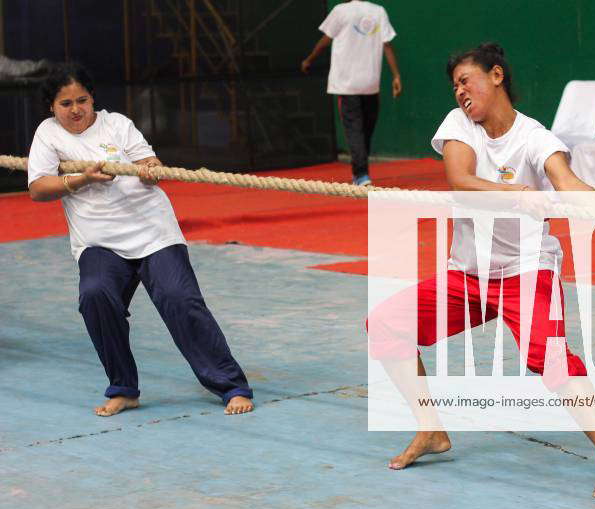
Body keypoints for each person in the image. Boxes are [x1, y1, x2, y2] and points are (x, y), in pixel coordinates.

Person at [367, 43, 595, 498]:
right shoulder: (459, 126)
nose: (459, 92)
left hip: (526, 270)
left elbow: (567, 182)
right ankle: (431, 429)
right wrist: (518, 195)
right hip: (467, 275)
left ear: (495, 75)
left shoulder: (535, 137)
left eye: (465, 80)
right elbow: (461, 180)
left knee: (549, 360)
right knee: (384, 325)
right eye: (454, 86)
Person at [27, 63, 254, 417]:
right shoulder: (48, 134)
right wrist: (81, 179)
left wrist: (150, 170)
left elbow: (148, 162)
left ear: (92, 99)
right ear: (52, 108)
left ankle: (231, 385)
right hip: (99, 242)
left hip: (152, 231)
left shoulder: (117, 124)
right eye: (66, 103)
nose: (76, 110)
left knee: (180, 299)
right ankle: (124, 388)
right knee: (95, 296)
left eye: (82, 100)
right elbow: (39, 188)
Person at [301, 0, 402, 187]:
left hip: (358, 85)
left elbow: (325, 40)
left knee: (359, 130)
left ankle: (361, 173)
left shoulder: (354, 11)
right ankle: (362, 173)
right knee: (360, 130)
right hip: (359, 85)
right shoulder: (367, 11)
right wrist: (396, 75)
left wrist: (309, 59)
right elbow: (387, 45)